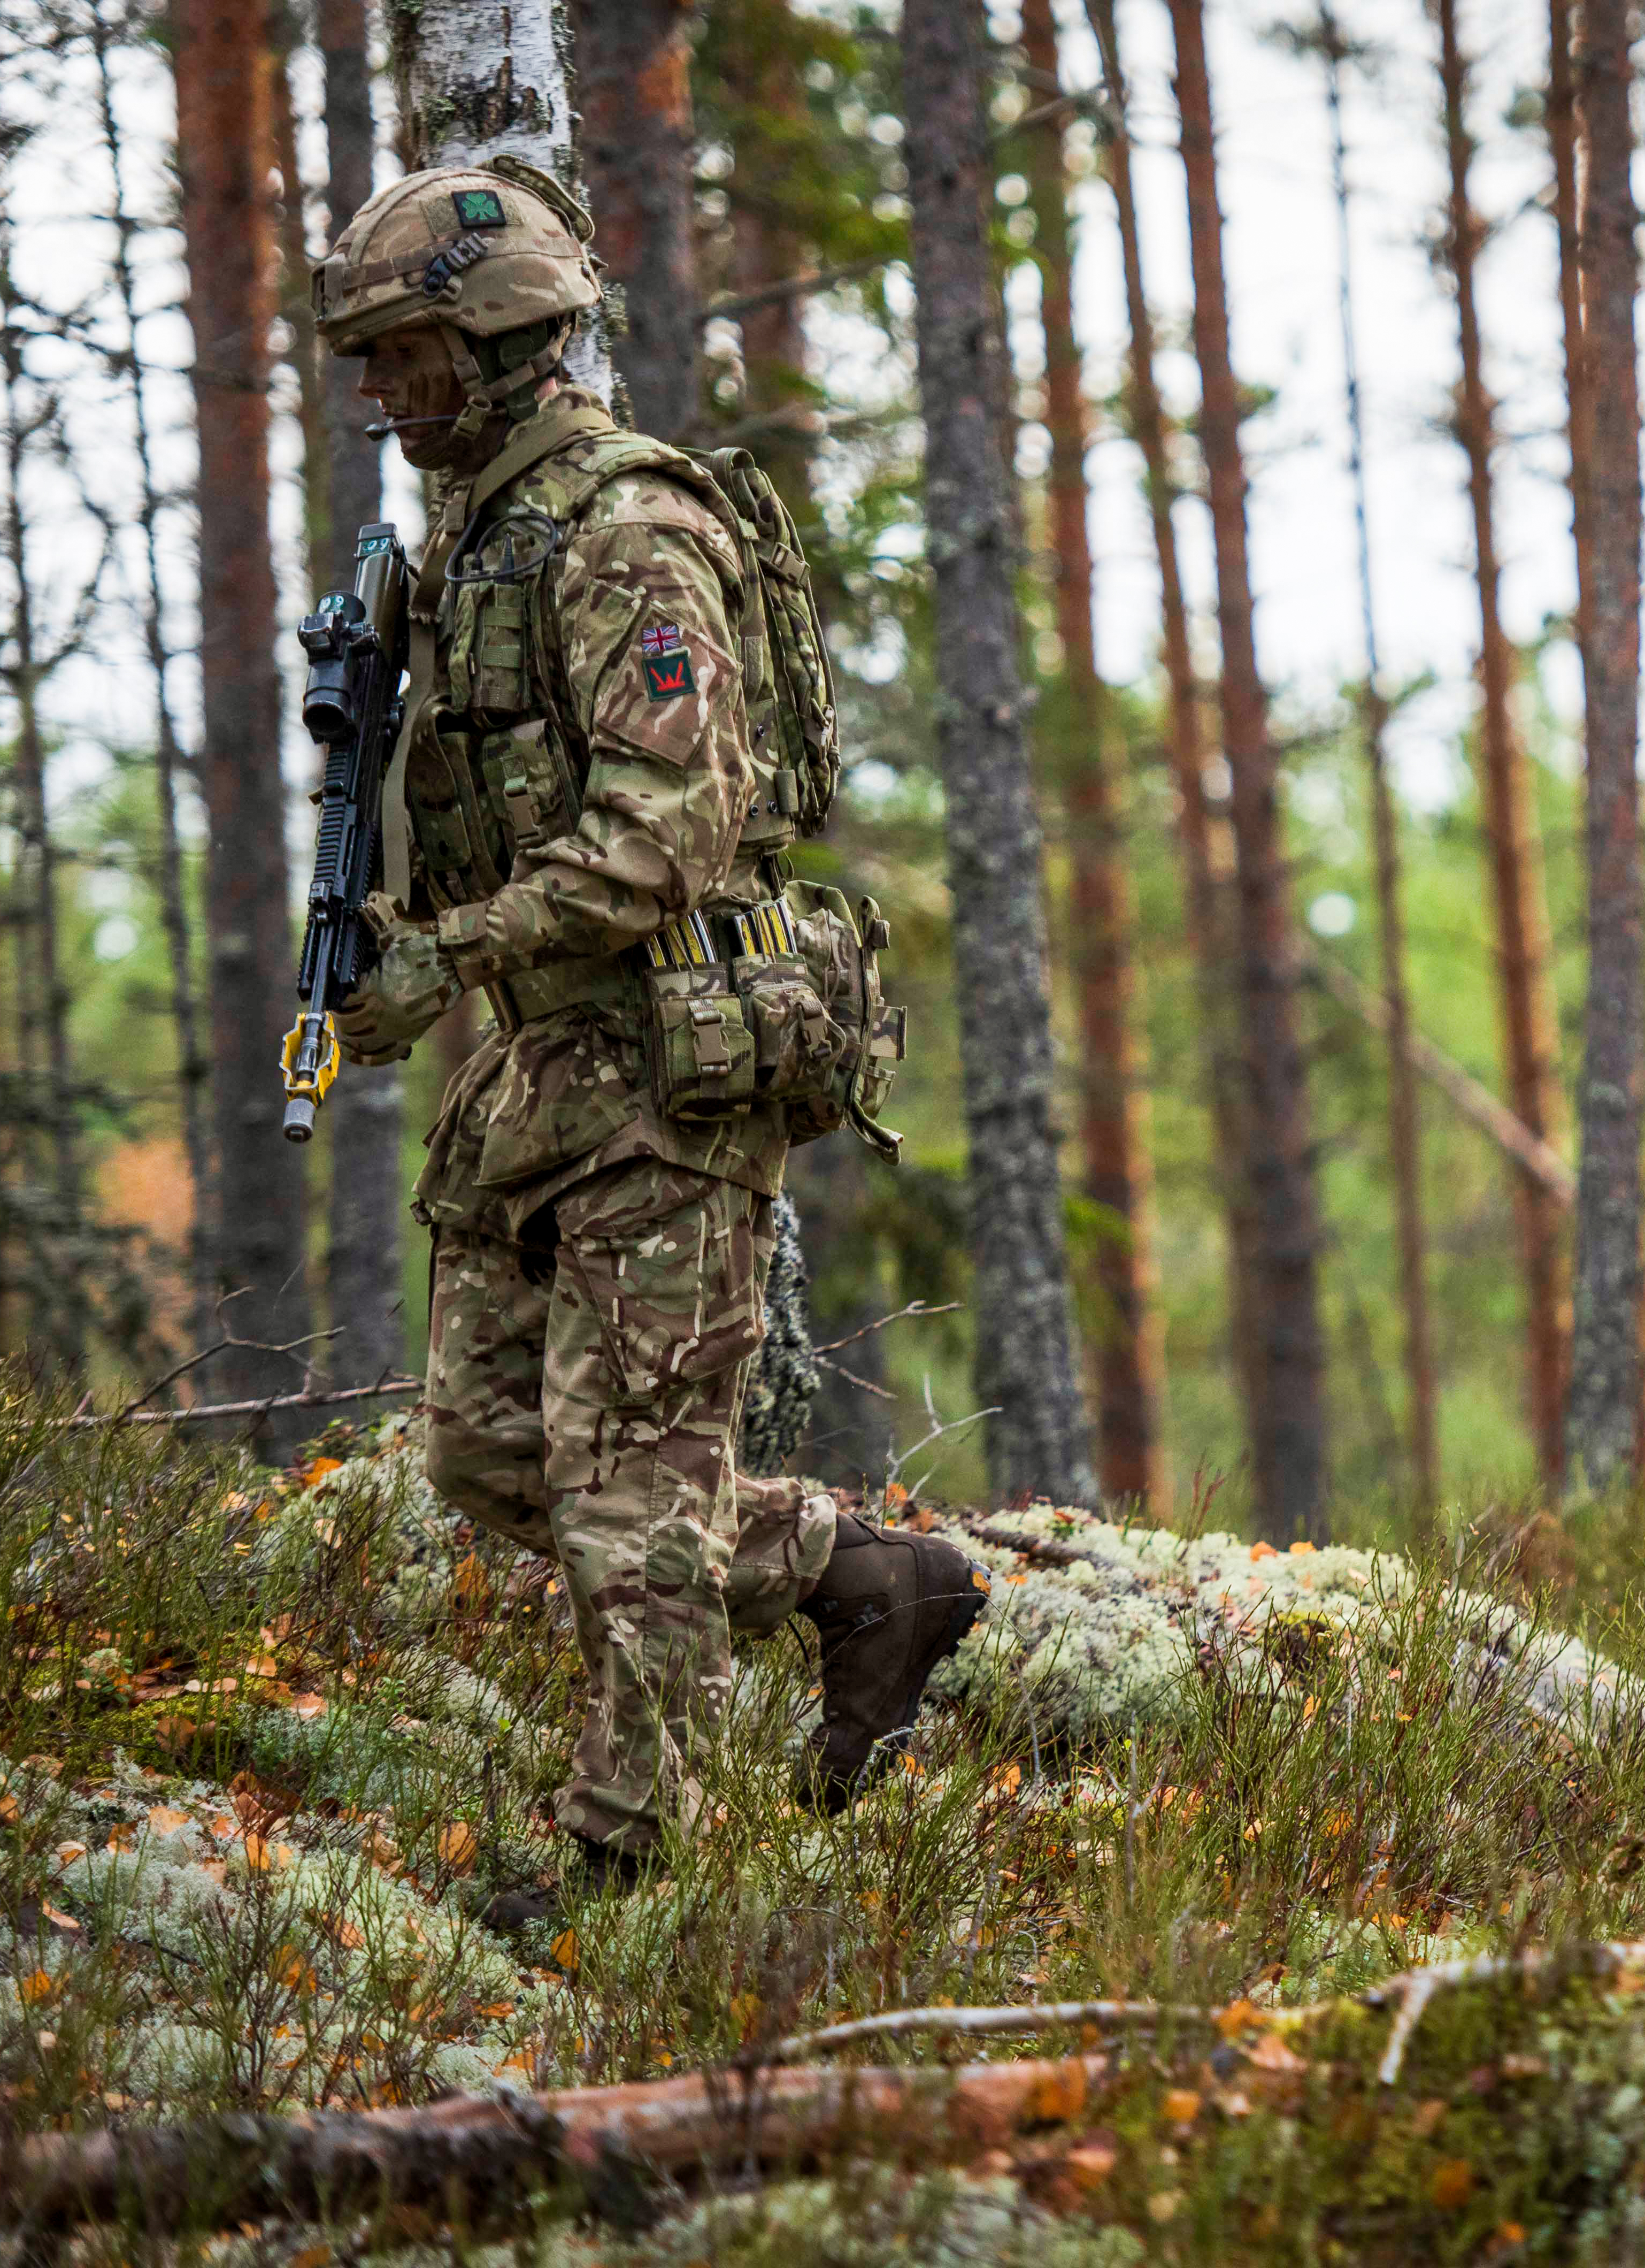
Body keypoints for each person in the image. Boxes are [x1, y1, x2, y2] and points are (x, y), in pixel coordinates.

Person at [308, 158, 982, 1912]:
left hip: (675, 1059)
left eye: (409, 357)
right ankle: (860, 1577)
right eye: (367, 362)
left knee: (634, 1499)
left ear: (508, 338)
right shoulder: (472, 539)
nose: (384, 395)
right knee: (486, 1454)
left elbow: (668, 831)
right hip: (543, 1068)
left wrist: (445, 950)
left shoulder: (627, 531)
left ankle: (625, 1877)